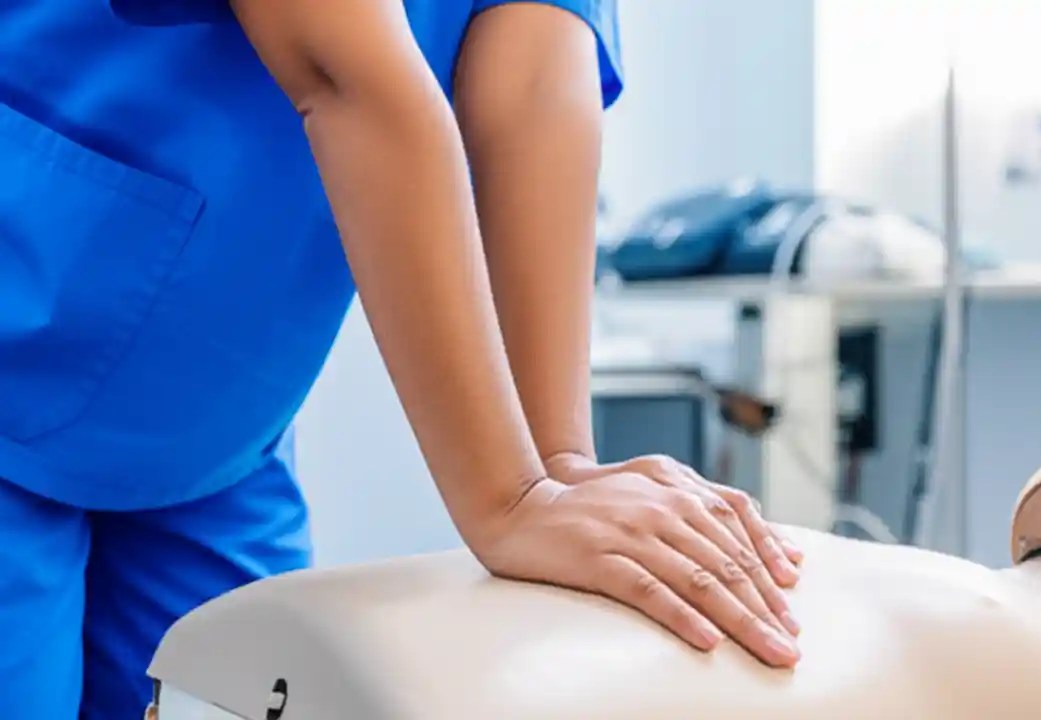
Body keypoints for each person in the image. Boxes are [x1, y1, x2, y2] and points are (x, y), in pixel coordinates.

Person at [0, 2, 804, 717]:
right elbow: (345, 70)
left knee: (239, 680)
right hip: (24, 325)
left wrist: (559, 464)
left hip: (218, 423)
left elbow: (532, 83)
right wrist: (511, 498)